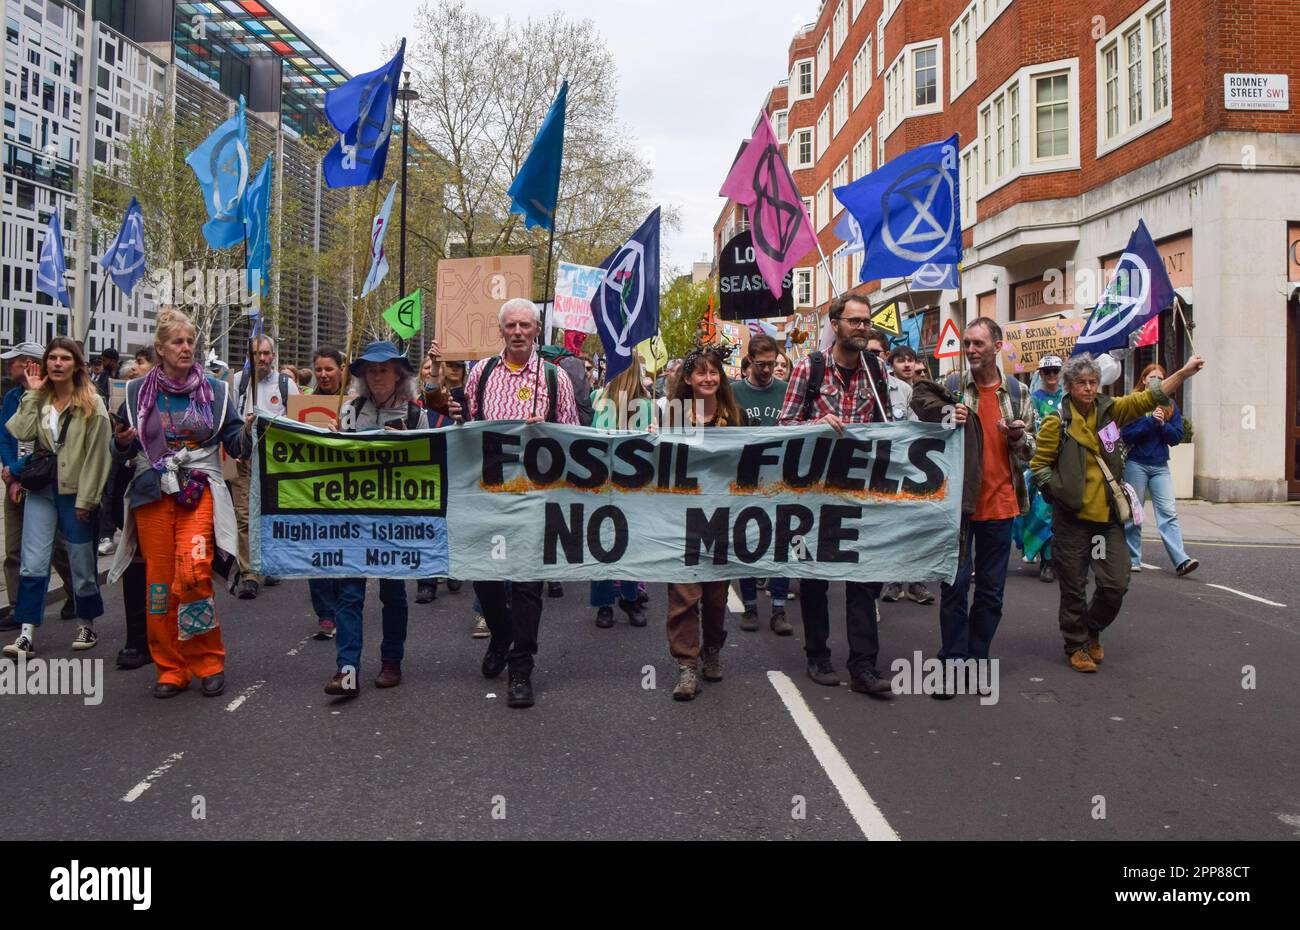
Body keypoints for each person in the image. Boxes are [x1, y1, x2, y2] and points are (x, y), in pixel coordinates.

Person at [1030, 352, 1205, 672]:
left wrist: (1184, 372)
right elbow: (1039, 466)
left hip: (1108, 519)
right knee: (1074, 586)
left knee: (1115, 584)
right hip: (1071, 520)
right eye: (1081, 383)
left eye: (1093, 382)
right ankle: (1076, 644)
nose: (1087, 388)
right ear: (1068, 386)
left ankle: (1091, 628)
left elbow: (1149, 396)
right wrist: (1057, 492)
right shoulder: (1057, 422)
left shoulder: (1110, 411)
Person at [107, 310, 245, 697]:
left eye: (190, 342)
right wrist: (121, 441)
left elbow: (233, 439)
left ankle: (208, 661)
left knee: (194, 574)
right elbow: (123, 447)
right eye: (177, 342)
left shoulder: (216, 392)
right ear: (161, 349)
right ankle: (170, 667)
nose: (186, 348)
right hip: (152, 493)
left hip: (198, 490)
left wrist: (248, 431)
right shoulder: (136, 393)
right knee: (159, 586)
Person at [777, 293, 895, 696]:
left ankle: (863, 665)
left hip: (860, 492)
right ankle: (818, 655)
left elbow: (890, 427)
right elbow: (784, 425)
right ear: (836, 324)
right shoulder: (809, 368)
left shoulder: (877, 370)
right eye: (855, 321)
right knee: (815, 576)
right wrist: (816, 423)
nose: (862, 327)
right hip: (816, 493)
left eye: (866, 322)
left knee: (863, 577)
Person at [911, 317, 1036, 697]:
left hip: (1002, 506)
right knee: (954, 587)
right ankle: (951, 662)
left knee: (991, 593)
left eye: (978, 343)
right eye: (966, 343)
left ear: (997, 346)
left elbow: (1031, 448)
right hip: (959, 507)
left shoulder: (1016, 391)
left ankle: (976, 661)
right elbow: (919, 404)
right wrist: (947, 415)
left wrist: (1017, 436)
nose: (970, 350)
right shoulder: (951, 386)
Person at [465, 298, 578, 708]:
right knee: (486, 578)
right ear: (501, 330)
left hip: (535, 497)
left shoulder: (555, 377)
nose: (517, 332)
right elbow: (469, 429)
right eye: (510, 325)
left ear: (536, 331)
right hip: (490, 496)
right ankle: (500, 633)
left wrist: (545, 431)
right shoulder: (481, 374)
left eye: (525, 326)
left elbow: (572, 437)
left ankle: (521, 666)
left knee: (527, 584)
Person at [322, 340, 445, 697]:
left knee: (393, 594)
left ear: (398, 375)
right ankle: (347, 669)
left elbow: (431, 465)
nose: (377, 377)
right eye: (371, 370)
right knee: (348, 594)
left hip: (396, 521)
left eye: (384, 370)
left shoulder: (414, 415)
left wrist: (411, 444)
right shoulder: (349, 412)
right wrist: (331, 442)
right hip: (354, 518)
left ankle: (392, 660)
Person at [2, 338, 112, 659]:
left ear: (76, 364)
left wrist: (88, 499)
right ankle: (26, 634)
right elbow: (20, 432)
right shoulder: (40, 397)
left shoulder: (92, 403)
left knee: (81, 562)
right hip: (42, 491)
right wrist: (34, 394)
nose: (57, 364)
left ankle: (87, 622)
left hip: (76, 493)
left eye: (65, 358)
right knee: (33, 562)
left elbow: (98, 456)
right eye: (53, 358)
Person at [665, 345, 744, 700]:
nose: (709, 378)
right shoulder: (672, 418)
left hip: (722, 519)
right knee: (683, 597)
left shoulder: (736, 417)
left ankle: (712, 648)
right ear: (688, 379)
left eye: (714, 372)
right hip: (681, 520)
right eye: (701, 373)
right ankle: (686, 666)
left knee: (715, 598)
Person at [0, 342, 75, 631]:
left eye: (15, 362)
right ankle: (20, 609)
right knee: (14, 548)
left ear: (32, 365)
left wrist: (18, 471)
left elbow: (48, 446)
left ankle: (76, 592)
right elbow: (6, 435)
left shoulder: (50, 397)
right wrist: (10, 473)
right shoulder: (11, 397)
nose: (9, 367)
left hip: (42, 480)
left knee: (57, 547)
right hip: (15, 480)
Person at [729, 333, 792, 635]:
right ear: (749, 361)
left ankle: (779, 608)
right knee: (747, 541)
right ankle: (750, 606)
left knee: (782, 543)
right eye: (760, 364)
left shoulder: (787, 390)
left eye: (771, 364)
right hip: (745, 480)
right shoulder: (734, 392)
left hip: (781, 479)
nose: (766, 370)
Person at [867, 334, 935, 607]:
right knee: (884, 531)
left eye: (878, 352)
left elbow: (915, 429)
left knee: (911, 527)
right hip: (873, 473)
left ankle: (916, 582)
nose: (874, 357)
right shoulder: (861, 387)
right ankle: (890, 581)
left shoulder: (905, 391)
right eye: (869, 352)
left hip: (903, 470)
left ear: (885, 355)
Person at [231, 334, 298, 599]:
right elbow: (228, 421)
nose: (262, 358)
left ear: (274, 355)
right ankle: (249, 573)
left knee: (271, 513)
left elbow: (296, 423)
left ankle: (270, 560)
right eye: (256, 354)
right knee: (245, 515)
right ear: (249, 356)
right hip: (244, 459)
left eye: (266, 353)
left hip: (275, 461)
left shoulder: (286, 385)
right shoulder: (238, 383)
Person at [588, 356, 651, 630]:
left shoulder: (648, 407)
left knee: (631, 543)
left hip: (634, 486)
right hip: (601, 483)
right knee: (601, 544)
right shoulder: (597, 399)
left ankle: (630, 597)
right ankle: (603, 604)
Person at [1122, 363, 1198, 576]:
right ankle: (1132, 558)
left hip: (1160, 465)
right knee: (1133, 513)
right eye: (1152, 377)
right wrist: (1148, 422)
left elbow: (1176, 437)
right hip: (1135, 463)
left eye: (1160, 378)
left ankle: (1181, 560)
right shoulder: (1133, 403)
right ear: (1143, 379)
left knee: (1168, 513)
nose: (1156, 381)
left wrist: (1163, 425)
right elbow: (1125, 434)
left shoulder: (1169, 405)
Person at [302, 346, 346, 640]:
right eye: (319, 369)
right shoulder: (303, 402)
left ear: (342, 369)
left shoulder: (355, 403)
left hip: (346, 489)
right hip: (312, 488)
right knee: (316, 552)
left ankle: (343, 608)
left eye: (329, 369)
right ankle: (325, 615)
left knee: (342, 551)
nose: (323, 374)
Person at [1017, 355, 1066, 583]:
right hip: (1041, 464)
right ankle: (1047, 561)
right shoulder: (1034, 399)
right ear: (1040, 374)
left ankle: (1064, 559)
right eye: (1047, 372)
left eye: (1056, 371)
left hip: (1066, 465)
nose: (1052, 376)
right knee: (1043, 514)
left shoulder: (1067, 398)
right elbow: (1031, 429)